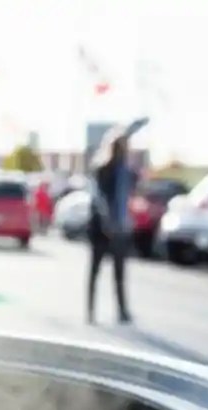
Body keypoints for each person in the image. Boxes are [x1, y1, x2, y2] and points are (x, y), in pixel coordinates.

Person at [85, 129, 136, 324]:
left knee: (119, 272)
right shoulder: (102, 170)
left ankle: (122, 311)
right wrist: (108, 222)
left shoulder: (125, 171)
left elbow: (125, 200)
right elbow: (100, 200)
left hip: (119, 228)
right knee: (96, 270)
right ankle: (91, 311)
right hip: (102, 228)